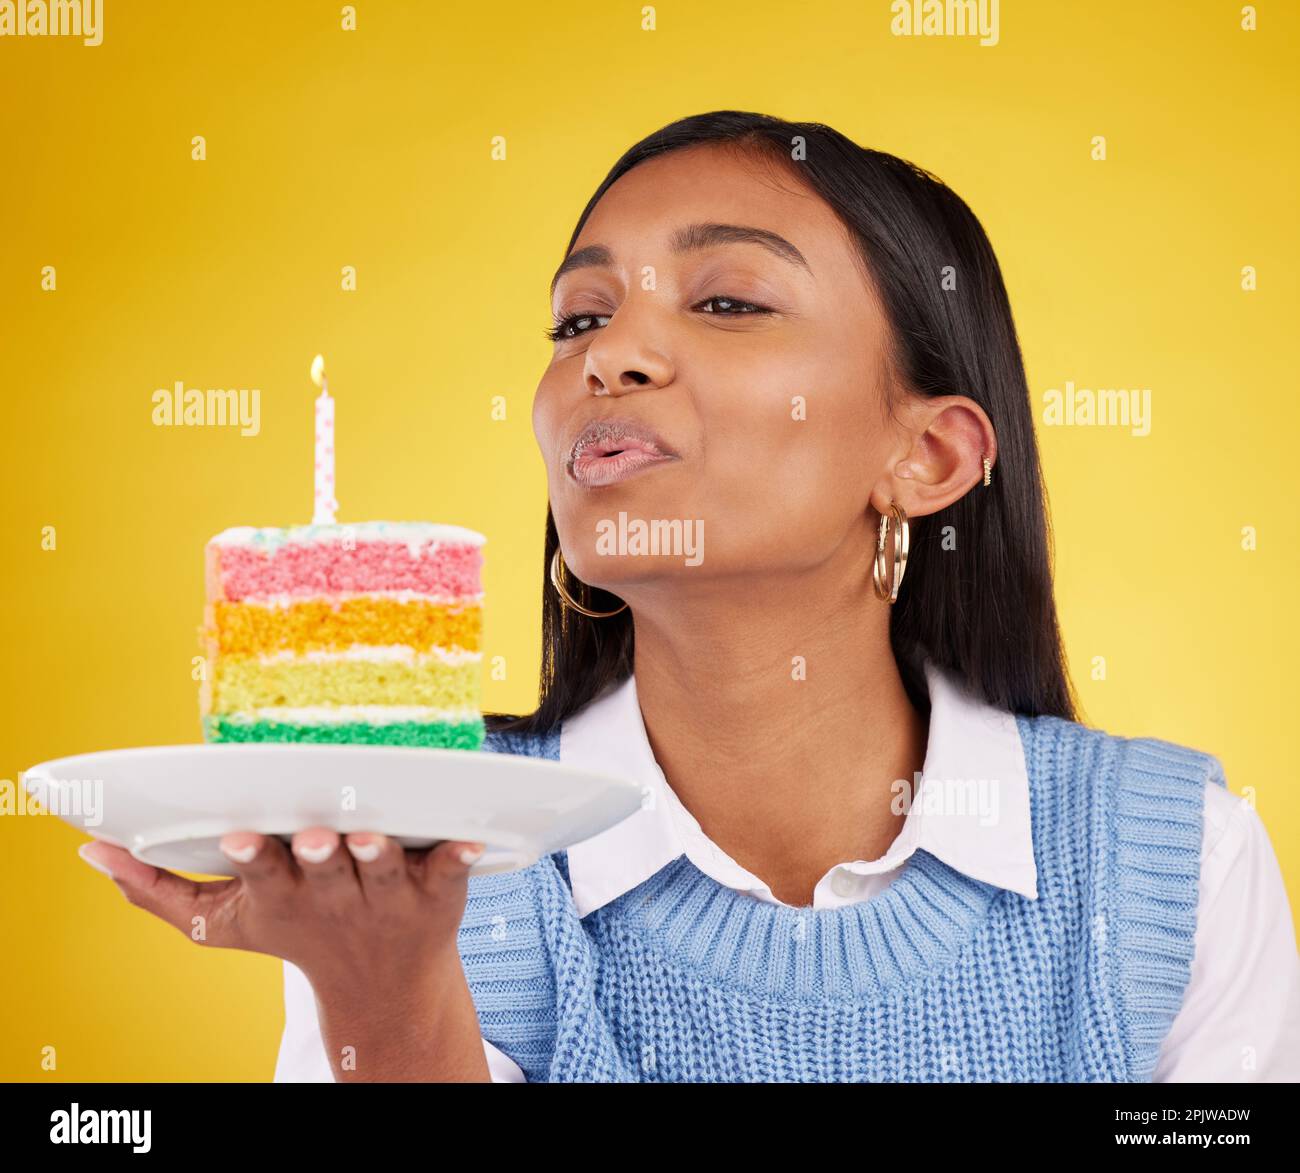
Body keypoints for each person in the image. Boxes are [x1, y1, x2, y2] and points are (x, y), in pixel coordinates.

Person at [81, 110, 1300, 1083]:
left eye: (726, 301)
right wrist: (386, 1000)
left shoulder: (1172, 865)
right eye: (579, 317)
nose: (606, 357)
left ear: (925, 458)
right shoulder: (413, 862)